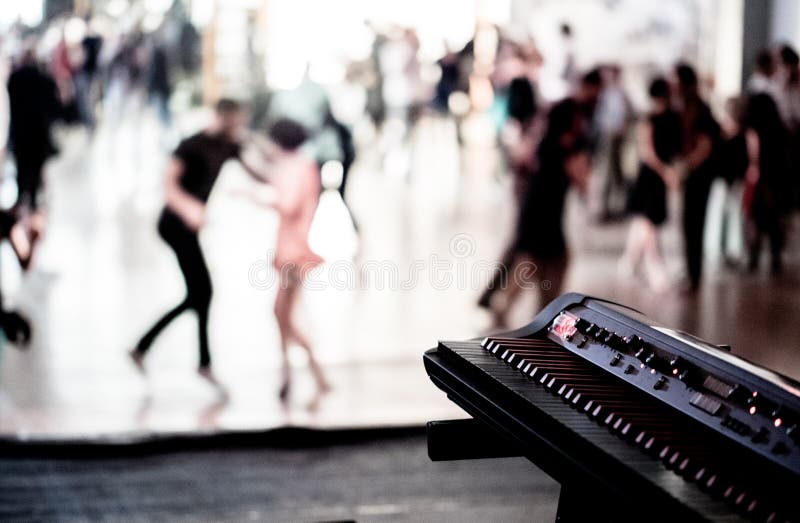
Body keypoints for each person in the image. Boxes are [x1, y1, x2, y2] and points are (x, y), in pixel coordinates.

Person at [130, 99, 250, 386]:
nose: (238, 128)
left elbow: (256, 167)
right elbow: (168, 186)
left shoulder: (229, 146)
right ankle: (197, 362)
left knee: (199, 295)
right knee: (202, 293)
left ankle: (150, 349)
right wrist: (188, 208)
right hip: (173, 226)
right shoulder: (191, 145)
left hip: (190, 229)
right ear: (222, 118)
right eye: (235, 122)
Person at [486, 99, 590, 326]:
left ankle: (532, 312)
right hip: (543, 213)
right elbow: (581, 180)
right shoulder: (567, 147)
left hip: (539, 210)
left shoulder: (547, 141)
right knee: (541, 263)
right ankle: (533, 313)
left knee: (536, 263)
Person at [248, 119, 330, 400]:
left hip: (292, 254)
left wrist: (254, 197)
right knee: (282, 313)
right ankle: (293, 373)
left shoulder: (294, 168)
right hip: (291, 251)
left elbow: (289, 203)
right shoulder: (302, 165)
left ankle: (310, 373)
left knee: (282, 314)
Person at [619, 78, 681, 292]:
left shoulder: (663, 118)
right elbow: (648, 152)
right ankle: (655, 269)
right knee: (648, 224)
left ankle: (629, 263)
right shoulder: (653, 119)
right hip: (650, 176)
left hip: (654, 175)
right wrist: (667, 171)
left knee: (643, 222)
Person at [674, 63, 719, 292]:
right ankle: (691, 272)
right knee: (689, 224)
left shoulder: (698, 108)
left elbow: (705, 147)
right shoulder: (688, 106)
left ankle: (694, 276)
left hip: (699, 176)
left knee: (693, 224)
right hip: (694, 174)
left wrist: (685, 166)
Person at [7, 46, 61, 213]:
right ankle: (32, 198)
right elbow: (54, 103)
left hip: (21, 131)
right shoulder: (43, 78)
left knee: (22, 165)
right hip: (37, 131)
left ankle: (23, 194)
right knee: (35, 165)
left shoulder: (14, 79)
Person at [743, 93, 791, 274]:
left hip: (759, 181)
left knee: (755, 221)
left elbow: (753, 158)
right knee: (774, 222)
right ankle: (774, 258)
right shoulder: (780, 129)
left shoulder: (753, 131)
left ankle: (754, 259)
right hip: (777, 181)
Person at [596, 64, 633, 221]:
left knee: (613, 173)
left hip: (615, 136)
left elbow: (626, 114)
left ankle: (616, 206)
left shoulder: (619, 93)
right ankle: (607, 207)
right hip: (607, 135)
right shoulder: (606, 93)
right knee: (608, 173)